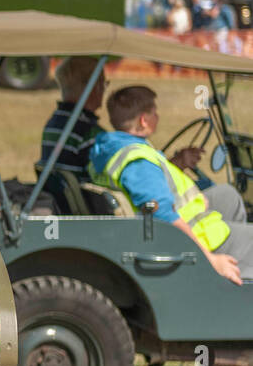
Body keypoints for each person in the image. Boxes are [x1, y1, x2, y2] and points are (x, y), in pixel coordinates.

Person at [89, 85, 251, 285]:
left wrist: (179, 162)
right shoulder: (139, 162)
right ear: (144, 120)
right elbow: (163, 214)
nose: (158, 116)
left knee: (227, 195)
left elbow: (148, 184)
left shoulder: (113, 148)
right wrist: (211, 260)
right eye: (154, 112)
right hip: (194, 240)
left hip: (182, 223)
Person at [38, 57, 108, 204]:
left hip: (61, 202)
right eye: (103, 83)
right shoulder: (90, 133)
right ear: (93, 87)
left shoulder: (54, 122)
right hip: (86, 207)